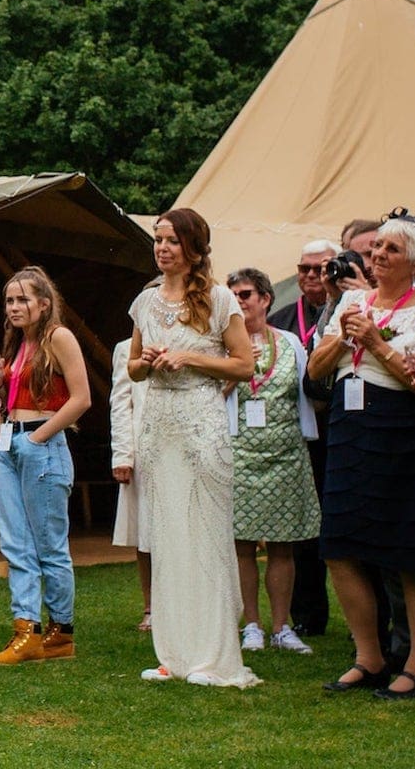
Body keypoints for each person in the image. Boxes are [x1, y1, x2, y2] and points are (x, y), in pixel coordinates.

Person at [307, 214, 415, 699]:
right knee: (340, 544)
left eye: (391, 248)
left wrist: (374, 342)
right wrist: (343, 338)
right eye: (377, 248)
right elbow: (315, 369)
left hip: (402, 429)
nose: (378, 255)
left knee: (410, 549)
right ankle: (368, 656)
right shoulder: (350, 300)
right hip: (350, 429)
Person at [128, 208, 259, 687]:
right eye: (157, 240)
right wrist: (145, 361)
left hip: (201, 420)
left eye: (171, 241)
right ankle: (175, 653)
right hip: (159, 422)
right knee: (166, 536)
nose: (162, 248)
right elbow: (133, 371)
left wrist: (192, 358)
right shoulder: (144, 302)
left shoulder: (221, 299)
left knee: (203, 533)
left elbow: (244, 367)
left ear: (193, 248)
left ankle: (214, 656)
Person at [0, 267, 91, 665]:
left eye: (23, 299)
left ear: (44, 304)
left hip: (40, 443)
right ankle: (26, 631)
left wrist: (38, 436)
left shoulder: (58, 337)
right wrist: (0, 385)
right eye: (9, 300)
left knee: (49, 545)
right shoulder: (19, 344)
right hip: (11, 442)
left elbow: (81, 399)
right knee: (15, 542)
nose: (14, 307)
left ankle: (61, 633)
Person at [225, 268, 319, 656]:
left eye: (246, 294)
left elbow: (306, 392)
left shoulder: (292, 342)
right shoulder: (222, 346)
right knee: (243, 545)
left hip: (285, 452)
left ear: (265, 298)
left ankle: (282, 626)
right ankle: (252, 625)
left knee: (283, 545)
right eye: (232, 296)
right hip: (239, 453)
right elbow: (212, 396)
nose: (239, 301)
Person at [275, 239, 337, 638]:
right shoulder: (281, 320)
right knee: (300, 527)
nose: (311, 276)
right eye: (304, 268)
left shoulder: (347, 309)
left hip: (338, 427)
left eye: (320, 268)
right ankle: (307, 613)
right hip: (298, 433)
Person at [109, 338, 152, 631]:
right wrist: (122, 455)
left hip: (184, 445)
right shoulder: (126, 348)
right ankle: (151, 606)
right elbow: (121, 402)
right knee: (145, 532)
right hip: (143, 448)